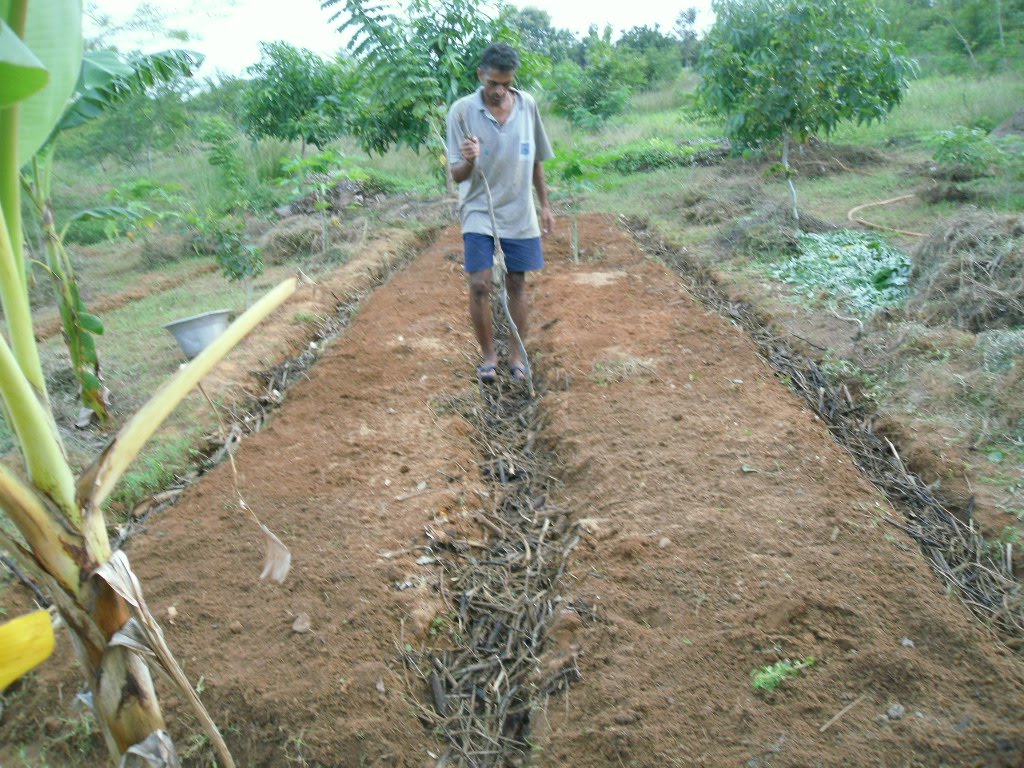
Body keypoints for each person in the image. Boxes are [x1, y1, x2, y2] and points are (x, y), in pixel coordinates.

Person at [446, 42, 555, 383]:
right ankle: (489, 356)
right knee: (479, 283)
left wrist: (545, 205)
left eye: (506, 84)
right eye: (493, 83)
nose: (499, 91)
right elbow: (457, 174)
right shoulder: (462, 112)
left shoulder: (527, 106)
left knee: (516, 282)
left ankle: (518, 353)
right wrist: (469, 159)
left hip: (520, 208)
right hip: (479, 208)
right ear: (481, 75)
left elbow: (536, 159)